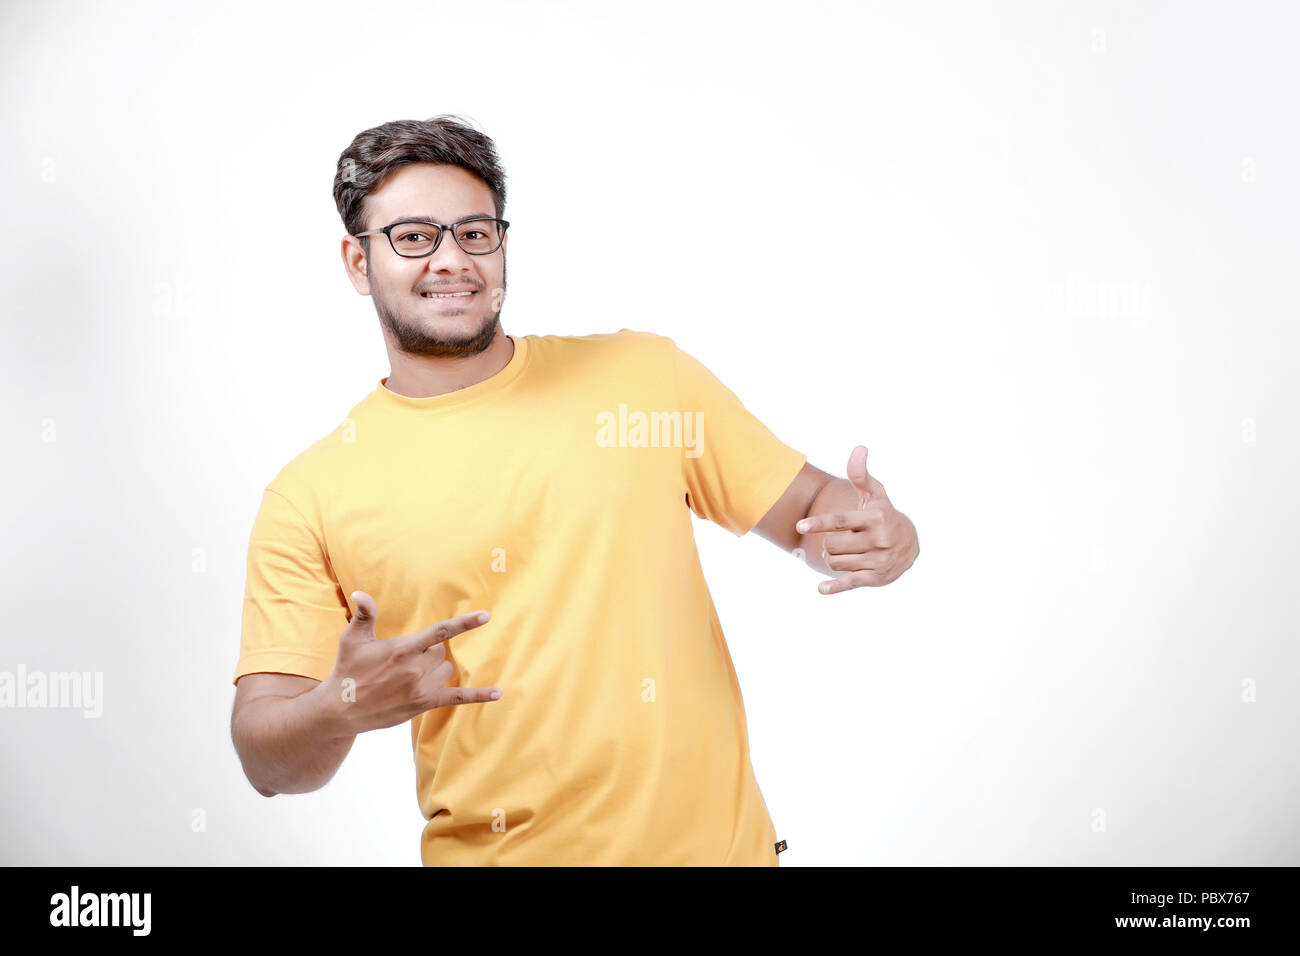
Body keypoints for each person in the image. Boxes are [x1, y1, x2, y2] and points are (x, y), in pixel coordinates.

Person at [229, 114, 920, 866]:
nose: (451, 259)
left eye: (474, 232)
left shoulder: (643, 380)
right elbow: (266, 761)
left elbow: (811, 512)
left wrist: (877, 535)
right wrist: (343, 704)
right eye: (413, 237)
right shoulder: (311, 495)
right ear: (358, 263)